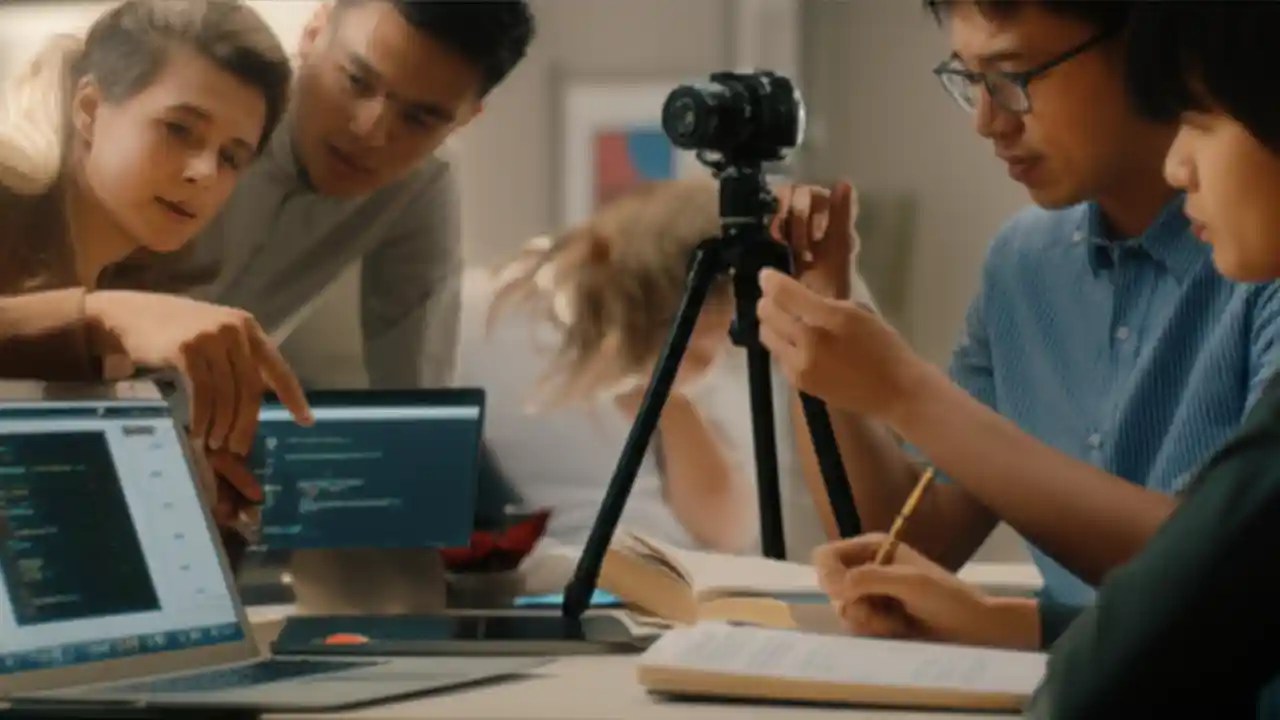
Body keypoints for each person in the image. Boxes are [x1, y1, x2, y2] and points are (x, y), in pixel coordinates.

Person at [817, 3, 1280, 716]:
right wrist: (823, 331)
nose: (987, 121)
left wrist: (907, 394)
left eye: (1012, 75)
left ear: (1140, 43)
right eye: (969, 80)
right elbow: (914, 535)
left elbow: (1228, 575)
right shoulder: (1022, 262)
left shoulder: (1260, 255)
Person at [100, 0, 536, 393]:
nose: (370, 131)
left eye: (420, 119)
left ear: (466, 119)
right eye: (357, 81)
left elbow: (417, 387)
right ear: (314, 32)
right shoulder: (185, 97)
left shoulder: (422, 184)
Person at [0, 0, 314, 532]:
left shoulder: (151, 282)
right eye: (179, 129)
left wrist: (180, 494)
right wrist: (99, 316)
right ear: (90, 109)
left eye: (231, 157)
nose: (204, 172)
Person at [481, 178, 878, 554]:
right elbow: (727, 527)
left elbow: (729, 525)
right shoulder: (494, 319)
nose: (713, 353)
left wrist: (671, 402)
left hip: (659, 572)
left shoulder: (708, 378)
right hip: (561, 566)